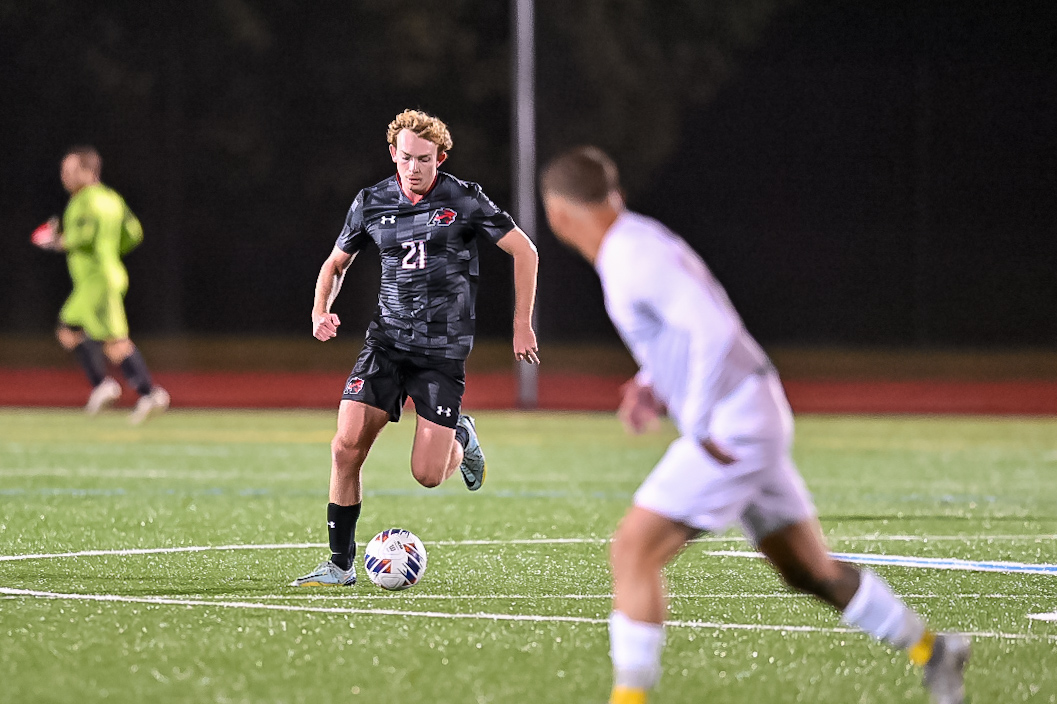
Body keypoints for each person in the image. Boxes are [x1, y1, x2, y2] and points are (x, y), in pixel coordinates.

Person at [539, 146, 970, 704]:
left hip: (734, 421)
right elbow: (689, 326)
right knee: (809, 569)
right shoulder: (637, 243)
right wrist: (651, 382)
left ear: (557, 214)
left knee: (633, 550)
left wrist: (697, 423)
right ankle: (933, 651)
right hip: (753, 410)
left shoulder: (630, 257)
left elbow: (714, 331)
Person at [291, 109, 540, 587]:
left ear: (440, 158)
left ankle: (461, 436)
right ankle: (340, 564)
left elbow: (524, 251)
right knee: (345, 448)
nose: (414, 168)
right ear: (393, 154)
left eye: (424, 159)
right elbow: (336, 263)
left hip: (440, 355)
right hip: (385, 344)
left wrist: (521, 324)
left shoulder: (464, 198)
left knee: (427, 475)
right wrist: (321, 309)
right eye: (406, 158)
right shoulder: (371, 201)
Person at [31, 146, 170, 425]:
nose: (64, 176)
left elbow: (83, 235)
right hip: (112, 273)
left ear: (88, 171)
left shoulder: (84, 200)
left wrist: (55, 241)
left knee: (68, 328)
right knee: (115, 343)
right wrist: (109, 252)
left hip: (95, 281)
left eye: (70, 170)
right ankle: (149, 393)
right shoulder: (112, 198)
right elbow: (134, 233)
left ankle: (101, 384)